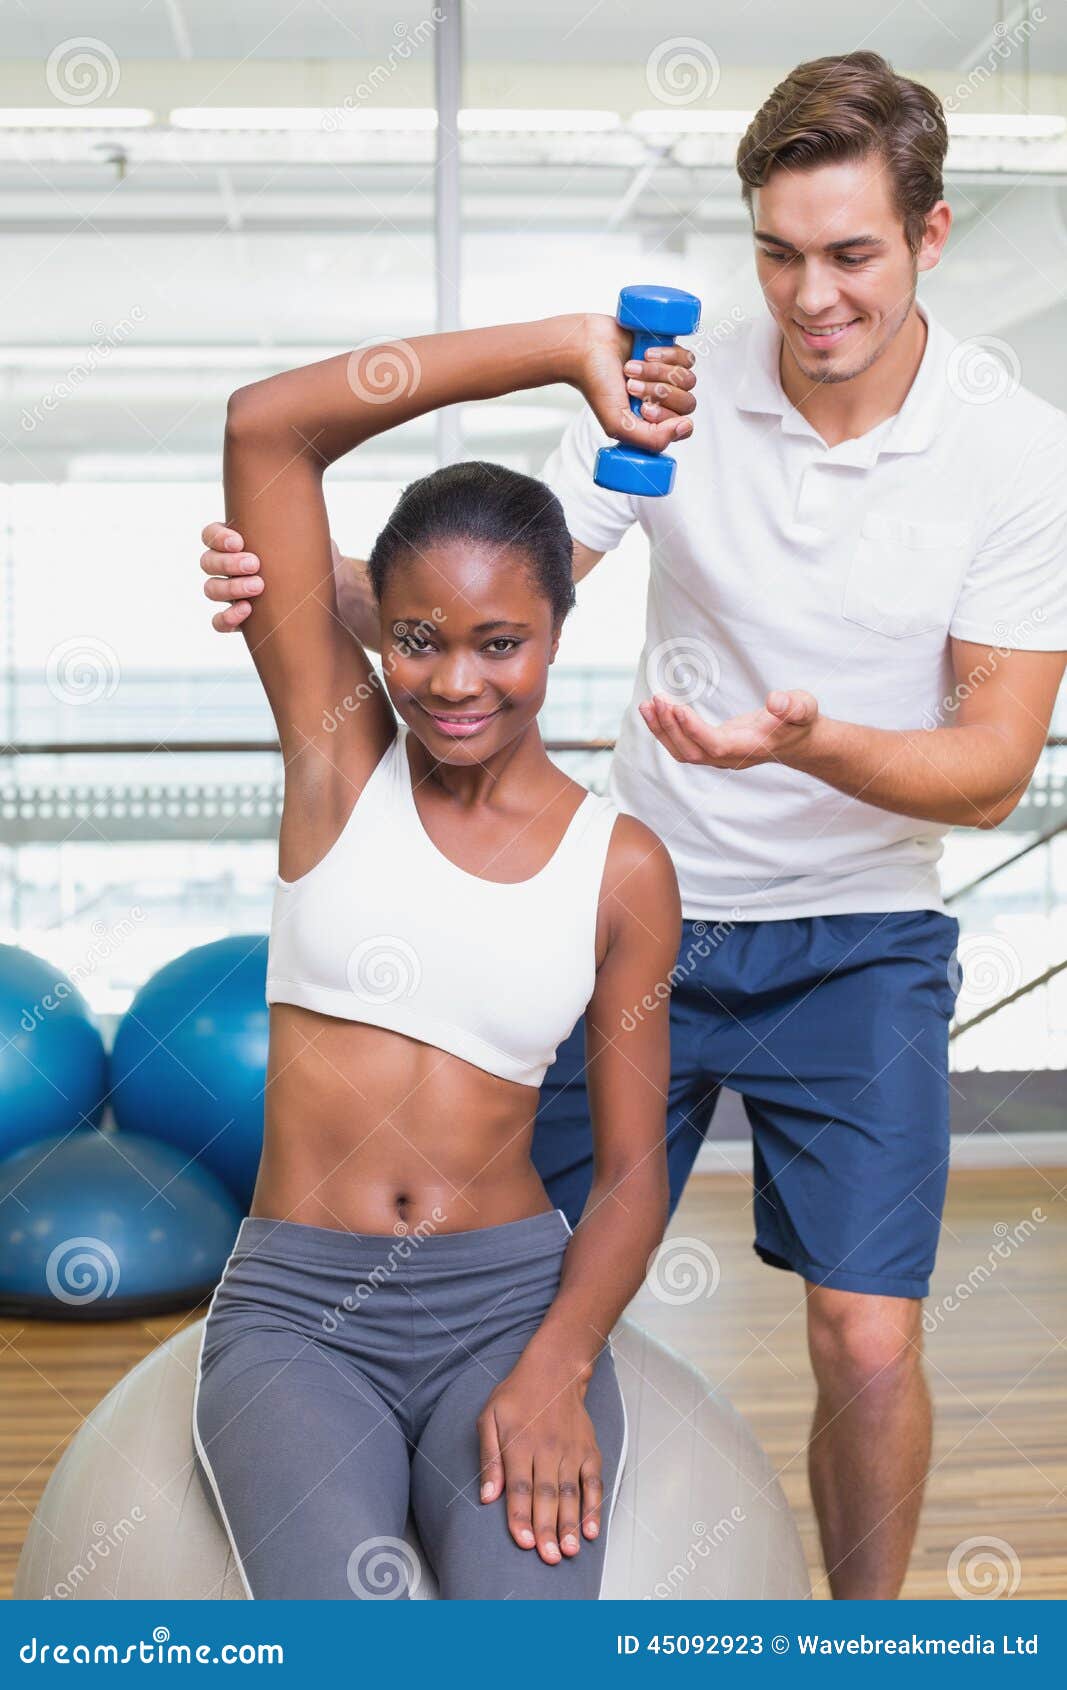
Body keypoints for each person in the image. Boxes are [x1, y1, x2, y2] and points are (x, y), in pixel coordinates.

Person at [198, 52, 1067, 1599]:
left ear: (930, 240)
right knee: (496, 1244)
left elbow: (993, 772)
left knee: (866, 1331)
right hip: (636, 910)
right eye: (779, 252)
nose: (810, 299)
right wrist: (306, 589)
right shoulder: (673, 387)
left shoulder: (1020, 455)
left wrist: (815, 743)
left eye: (852, 254)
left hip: (856, 930)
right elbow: (495, 601)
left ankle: (857, 1638)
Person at [191, 313, 686, 1601]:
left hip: (506, 1306)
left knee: (521, 1651)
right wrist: (570, 348)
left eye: (498, 642)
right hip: (301, 1313)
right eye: (419, 640)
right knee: (360, 1646)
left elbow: (632, 1177)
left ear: (556, 632)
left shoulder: (621, 866)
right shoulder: (338, 757)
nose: (457, 681)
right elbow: (266, 425)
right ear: (380, 634)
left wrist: (557, 1365)